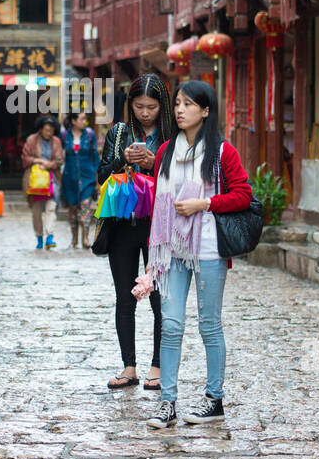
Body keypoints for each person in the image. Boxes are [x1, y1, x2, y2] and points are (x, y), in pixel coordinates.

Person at [139, 79, 252, 428]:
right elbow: (160, 206)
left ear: (205, 110)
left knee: (209, 326)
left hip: (208, 250)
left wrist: (205, 203)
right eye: (177, 104)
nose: (180, 110)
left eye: (188, 104)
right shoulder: (165, 152)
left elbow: (244, 195)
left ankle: (214, 399)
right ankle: (167, 403)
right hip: (172, 252)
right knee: (170, 325)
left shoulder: (222, 152)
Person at [100, 74, 174, 391]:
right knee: (124, 298)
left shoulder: (173, 135)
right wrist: (123, 159)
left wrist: (153, 161)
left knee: (160, 299)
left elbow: (183, 178)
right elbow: (101, 174)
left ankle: (157, 366)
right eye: (139, 106)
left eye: (152, 107)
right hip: (123, 223)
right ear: (130, 105)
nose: (145, 113)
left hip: (159, 227)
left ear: (163, 107)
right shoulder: (118, 133)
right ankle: (129, 367)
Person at [22, 115, 64, 249]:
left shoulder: (56, 141)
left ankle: (50, 236)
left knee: (51, 207)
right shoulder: (31, 140)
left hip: (52, 180)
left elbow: (59, 160)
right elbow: (25, 157)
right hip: (35, 181)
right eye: (46, 130)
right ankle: (39, 237)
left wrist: (49, 165)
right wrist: (39, 161)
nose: (49, 133)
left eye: (51, 130)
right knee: (36, 210)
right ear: (40, 129)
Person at [61, 112, 99, 248]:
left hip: (87, 178)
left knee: (85, 208)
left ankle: (85, 238)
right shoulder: (65, 136)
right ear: (73, 121)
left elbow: (95, 155)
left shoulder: (89, 135)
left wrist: (96, 175)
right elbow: (61, 155)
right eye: (82, 119)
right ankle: (74, 239)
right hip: (69, 178)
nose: (85, 122)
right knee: (72, 210)